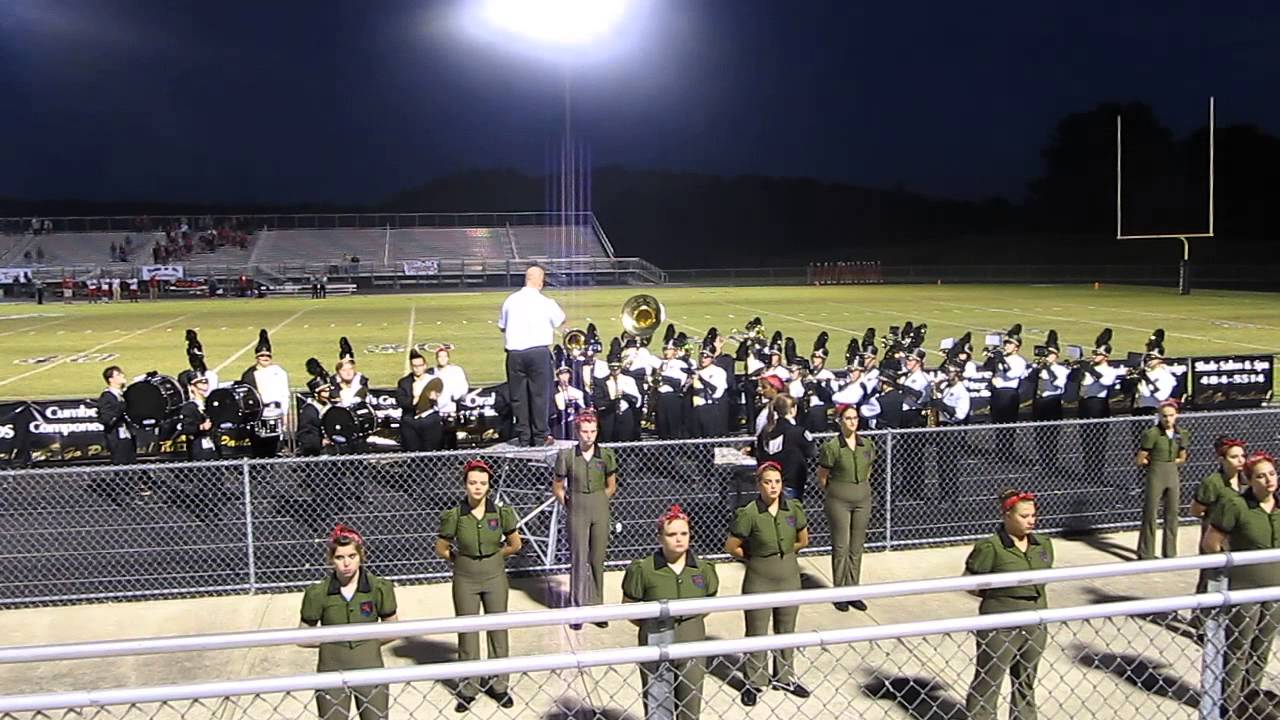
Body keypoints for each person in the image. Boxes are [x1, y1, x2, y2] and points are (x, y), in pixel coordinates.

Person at [436, 460, 522, 712]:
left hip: (495, 576)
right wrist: (461, 561)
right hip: (465, 577)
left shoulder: (501, 513)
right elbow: (441, 548)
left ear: (489, 486)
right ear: (465, 484)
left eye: (482, 483)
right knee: (468, 632)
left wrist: (496, 556)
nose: (477, 487)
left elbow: (515, 544)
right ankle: (468, 688)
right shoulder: (455, 516)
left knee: (498, 630)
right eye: (472, 482)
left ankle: (499, 685)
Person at [622, 505, 720, 720]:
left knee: (690, 707)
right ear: (660, 537)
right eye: (671, 534)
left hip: (692, 642)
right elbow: (630, 607)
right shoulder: (643, 570)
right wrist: (652, 626)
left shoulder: (703, 570)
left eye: (684, 533)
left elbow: (709, 601)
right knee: (657, 707)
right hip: (656, 641)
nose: (679, 539)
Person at [725, 462, 810, 705]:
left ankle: (785, 676)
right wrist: (755, 557)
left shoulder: (792, 508)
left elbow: (803, 539)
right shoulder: (749, 513)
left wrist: (782, 552)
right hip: (759, 578)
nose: (773, 487)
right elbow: (732, 546)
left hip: (789, 575)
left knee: (786, 628)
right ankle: (755, 680)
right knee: (757, 631)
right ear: (758, 485)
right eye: (768, 482)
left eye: (777, 482)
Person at [964, 489, 1054, 720]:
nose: (1031, 521)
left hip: (1035, 621)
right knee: (989, 681)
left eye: (1033, 515)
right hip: (1000, 624)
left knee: (1026, 681)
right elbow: (970, 583)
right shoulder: (990, 547)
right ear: (1006, 515)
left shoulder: (1043, 544)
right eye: (1024, 516)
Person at [1202, 452, 1280, 715]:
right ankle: (1229, 708)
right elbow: (1211, 543)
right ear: (1249, 480)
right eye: (1260, 475)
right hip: (1244, 590)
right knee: (1238, 650)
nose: (1268, 480)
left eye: (1271, 473)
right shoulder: (1237, 506)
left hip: (1275, 591)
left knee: (1261, 650)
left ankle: (1252, 707)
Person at [299, 524, 398, 720]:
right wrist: (334, 640)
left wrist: (367, 643)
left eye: (352, 556)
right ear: (330, 560)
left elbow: (393, 628)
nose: (346, 563)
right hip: (332, 667)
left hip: (370, 665)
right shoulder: (317, 593)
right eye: (339, 557)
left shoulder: (378, 588)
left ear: (362, 556)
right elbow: (302, 636)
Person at [553, 411, 618, 629]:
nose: (588, 436)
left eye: (592, 431)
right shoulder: (568, 455)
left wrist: (599, 500)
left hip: (599, 505)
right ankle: (577, 609)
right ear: (577, 432)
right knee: (578, 558)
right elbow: (558, 487)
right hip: (577, 506)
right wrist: (570, 505)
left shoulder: (605, 455)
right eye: (584, 432)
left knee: (597, 558)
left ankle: (597, 607)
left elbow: (611, 485)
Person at [817, 404, 875, 612]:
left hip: (862, 498)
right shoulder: (832, 446)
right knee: (841, 546)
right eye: (848, 418)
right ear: (840, 421)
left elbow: (869, 469)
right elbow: (822, 476)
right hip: (839, 499)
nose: (852, 422)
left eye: (855, 418)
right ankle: (839, 591)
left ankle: (853, 590)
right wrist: (835, 491)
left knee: (856, 547)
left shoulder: (866, 444)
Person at [498, 265, 565, 446]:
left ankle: (523, 436)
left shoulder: (510, 300)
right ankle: (540, 435)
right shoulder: (546, 302)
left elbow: (502, 326)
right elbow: (560, 320)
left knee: (519, 397)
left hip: (515, 354)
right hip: (538, 353)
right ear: (540, 282)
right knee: (540, 396)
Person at [1191, 436, 1246, 594]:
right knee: (1212, 578)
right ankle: (1202, 617)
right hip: (1217, 537)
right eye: (1234, 457)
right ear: (1222, 459)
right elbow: (1196, 510)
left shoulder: (1247, 480)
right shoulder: (1213, 483)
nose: (1240, 460)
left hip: (1239, 537)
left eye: (1242, 456)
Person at [1135, 399, 1189, 560]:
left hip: (1172, 471)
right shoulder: (1152, 434)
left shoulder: (1181, 434)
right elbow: (1140, 459)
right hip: (1156, 472)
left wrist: (1173, 462)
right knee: (1151, 512)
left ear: (1176, 416)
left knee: (1172, 512)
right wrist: (1153, 464)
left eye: (1171, 416)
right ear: (1159, 416)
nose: (1168, 419)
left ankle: (1170, 551)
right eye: (1164, 416)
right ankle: (1146, 552)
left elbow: (1183, 456)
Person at [753, 394, 816, 501]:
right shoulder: (798, 432)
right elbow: (812, 452)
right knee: (790, 517)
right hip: (791, 483)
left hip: (768, 483)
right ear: (793, 410)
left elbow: (759, 454)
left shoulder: (764, 433)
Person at [240, 329, 290, 459]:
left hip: (275, 414)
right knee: (258, 450)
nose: (265, 359)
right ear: (257, 357)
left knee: (273, 449)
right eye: (262, 356)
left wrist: (284, 413)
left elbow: (284, 393)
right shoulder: (249, 375)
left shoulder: (279, 372)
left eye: (268, 356)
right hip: (258, 416)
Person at [395, 349, 444, 452]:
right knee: (413, 453)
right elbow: (401, 401)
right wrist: (415, 399)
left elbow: (441, 399)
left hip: (430, 421)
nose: (417, 369)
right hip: (411, 422)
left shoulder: (433, 380)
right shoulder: (404, 382)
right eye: (414, 366)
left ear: (425, 366)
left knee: (431, 452)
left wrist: (435, 397)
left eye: (420, 365)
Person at [986, 324, 1027, 425]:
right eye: (1005, 344)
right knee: (996, 423)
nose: (1006, 346)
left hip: (1009, 394)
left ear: (1016, 347)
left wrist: (1001, 359)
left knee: (1008, 423)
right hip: (997, 393)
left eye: (1010, 344)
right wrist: (991, 357)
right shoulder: (1003, 357)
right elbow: (987, 368)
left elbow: (1011, 374)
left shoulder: (1019, 361)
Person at [689, 341, 728, 438]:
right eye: (701, 356)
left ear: (712, 358)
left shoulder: (718, 371)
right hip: (694, 410)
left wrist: (701, 378)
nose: (703, 359)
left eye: (706, 357)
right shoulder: (695, 370)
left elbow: (716, 392)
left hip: (709, 409)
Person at [179, 369, 219, 461]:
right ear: (192, 387)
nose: (205, 387)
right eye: (201, 384)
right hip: (198, 448)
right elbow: (185, 427)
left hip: (213, 446)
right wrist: (200, 427)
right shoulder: (189, 407)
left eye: (206, 383)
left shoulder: (209, 404)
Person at [1134, 329, 1177, 414]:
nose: (1148, 360)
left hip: (1155, 411)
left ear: (1160, 359)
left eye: (1152, 358)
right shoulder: (1144, 372)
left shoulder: (1165, 376)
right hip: (1138, 410)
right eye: (1147, 358)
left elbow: (1161, 396)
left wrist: (1146, 378)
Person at [333, 337, 370, 406]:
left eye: (350, 368)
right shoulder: (334, 380)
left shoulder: (360, 378)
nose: (348, 372)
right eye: (344, 370)